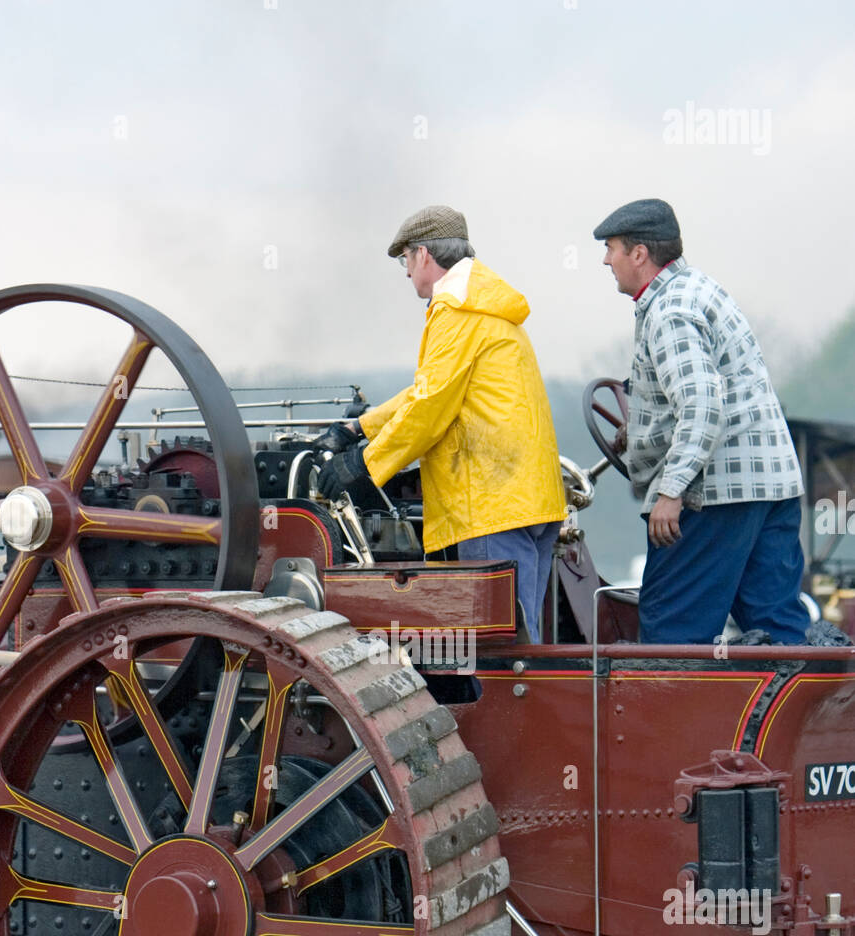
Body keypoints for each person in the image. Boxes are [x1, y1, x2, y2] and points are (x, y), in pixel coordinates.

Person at [316, 205, 566, 642]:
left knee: (502, 655)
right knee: (525, 644)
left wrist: (365, 464)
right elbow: (430, 390)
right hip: (529, 498)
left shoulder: (455, 309)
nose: (406, 271)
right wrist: (362, 429)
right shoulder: (485, 304)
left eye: (405, 260)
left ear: (425, 254)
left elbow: (430, 407)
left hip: (491, 505)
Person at [593, 197, 807, 646]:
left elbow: (703, 403)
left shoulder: (669, 312)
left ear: (639, 254)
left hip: (714, 493)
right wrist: (638, 429)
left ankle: (663, 716)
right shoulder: (697, 288)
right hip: (770, 483)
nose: (605, 259)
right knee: (777, 623)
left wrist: (671, 491)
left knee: (672, 628)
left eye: (611, 248)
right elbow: (714, 384)